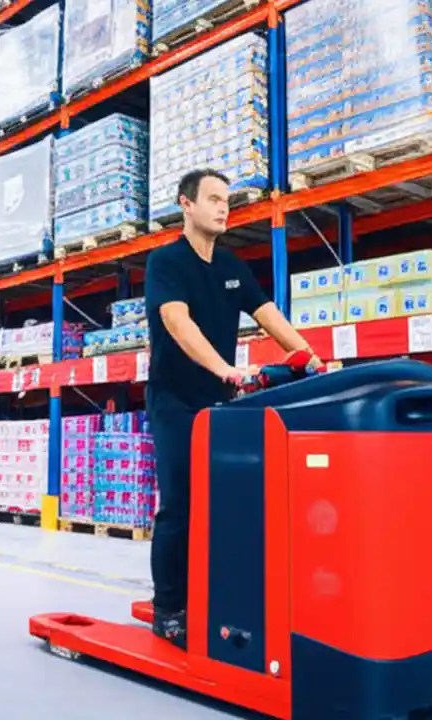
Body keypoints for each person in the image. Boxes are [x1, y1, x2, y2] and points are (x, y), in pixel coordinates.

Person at [144, 169, 319, 647]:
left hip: (219, 403)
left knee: (222, 503)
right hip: (175, 400)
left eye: (227, 201)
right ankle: (169, 608)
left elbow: (269, 317)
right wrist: (225, 367)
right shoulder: (166, 263)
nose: (224, 208)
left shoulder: (231, 267)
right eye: (214, 199)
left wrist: (310, 357)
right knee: (179, 503)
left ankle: (208, 591)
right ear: (187, 204)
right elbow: (178, 325)